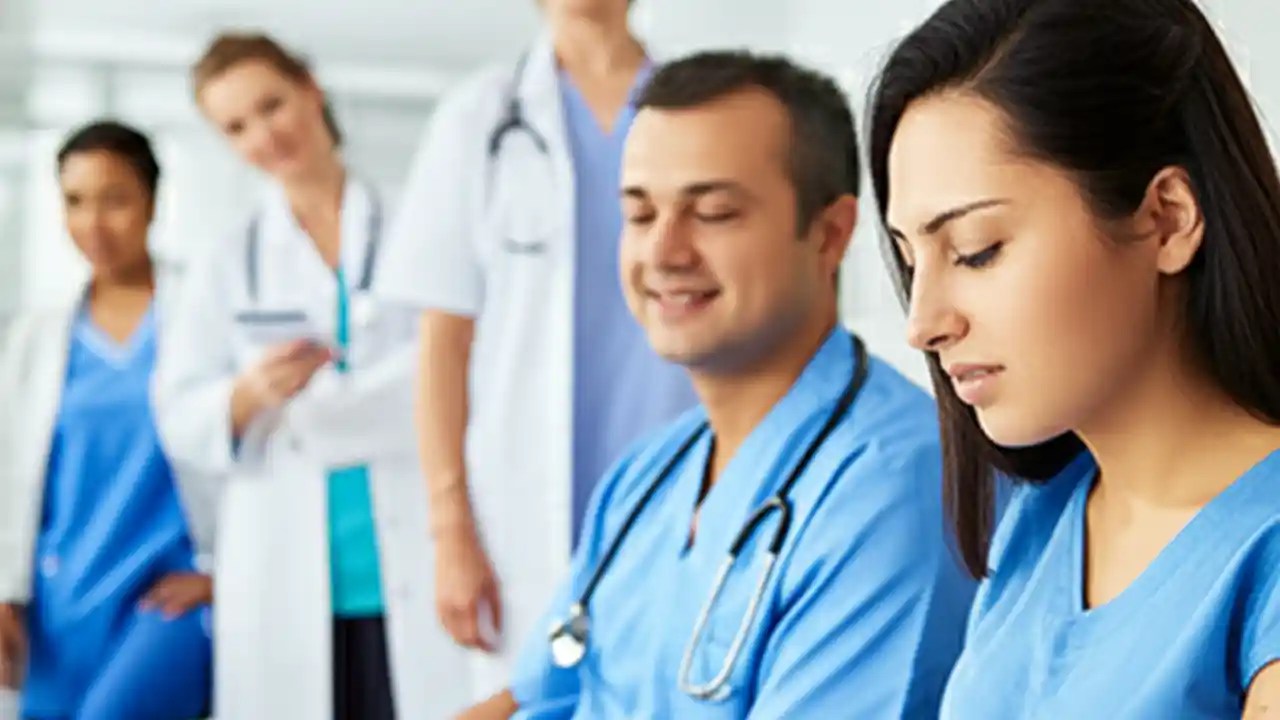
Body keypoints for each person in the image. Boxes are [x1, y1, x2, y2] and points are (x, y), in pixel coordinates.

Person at [459, 50, 975, 720]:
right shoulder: (647, 477)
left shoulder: (896, 489)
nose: (664, 252)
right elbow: (537, 694)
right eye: (640, 214)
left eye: (713, 212)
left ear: (829, 234)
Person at [868, 0, 1280, 716]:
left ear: (1166, 219)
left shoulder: (1260, 560)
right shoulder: (1042, 523)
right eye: (911, 261)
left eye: (976, 251)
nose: (923, 324)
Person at [375, 0, 698, 694]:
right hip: (523, 500)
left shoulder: (697, 106)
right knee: (537, 696)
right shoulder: (478, 117)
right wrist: (450, 528)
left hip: (682, 475)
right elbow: (443, 343)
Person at [152, 32, 470, 720]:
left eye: (272, 105)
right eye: (236, 127)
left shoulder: (417, 220)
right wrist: (246, 396)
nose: (264, 135)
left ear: (310, 89)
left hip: (413, 550)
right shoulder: (228, 258)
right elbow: (178, 412)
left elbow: (466, 360)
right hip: (286, 560)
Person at [0, 121, 213, 719]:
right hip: (60, 600)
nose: (93, 223)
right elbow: (9, 472)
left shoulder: (202, 316)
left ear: (153, 202)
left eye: (115, 200)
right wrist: (4, 592)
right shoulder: (38, 336)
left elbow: (254, 447)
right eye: (75, 201)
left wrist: (227, 575)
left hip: (168, 593)